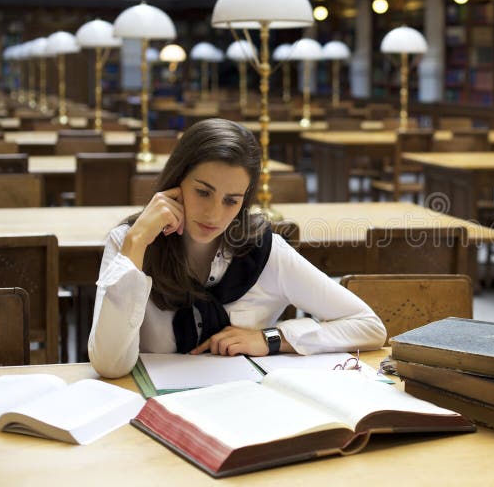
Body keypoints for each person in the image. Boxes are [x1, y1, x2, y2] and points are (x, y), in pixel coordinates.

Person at [88, 118, 387, 378]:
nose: (214, 214)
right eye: (203, 192)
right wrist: (136, 244)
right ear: (176, 182)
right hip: (149, 411)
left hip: (244, 408)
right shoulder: (130, 243)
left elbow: (369, 326)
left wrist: (272, 338)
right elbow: (110, 365)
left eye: (231, 200)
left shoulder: (264, 251)